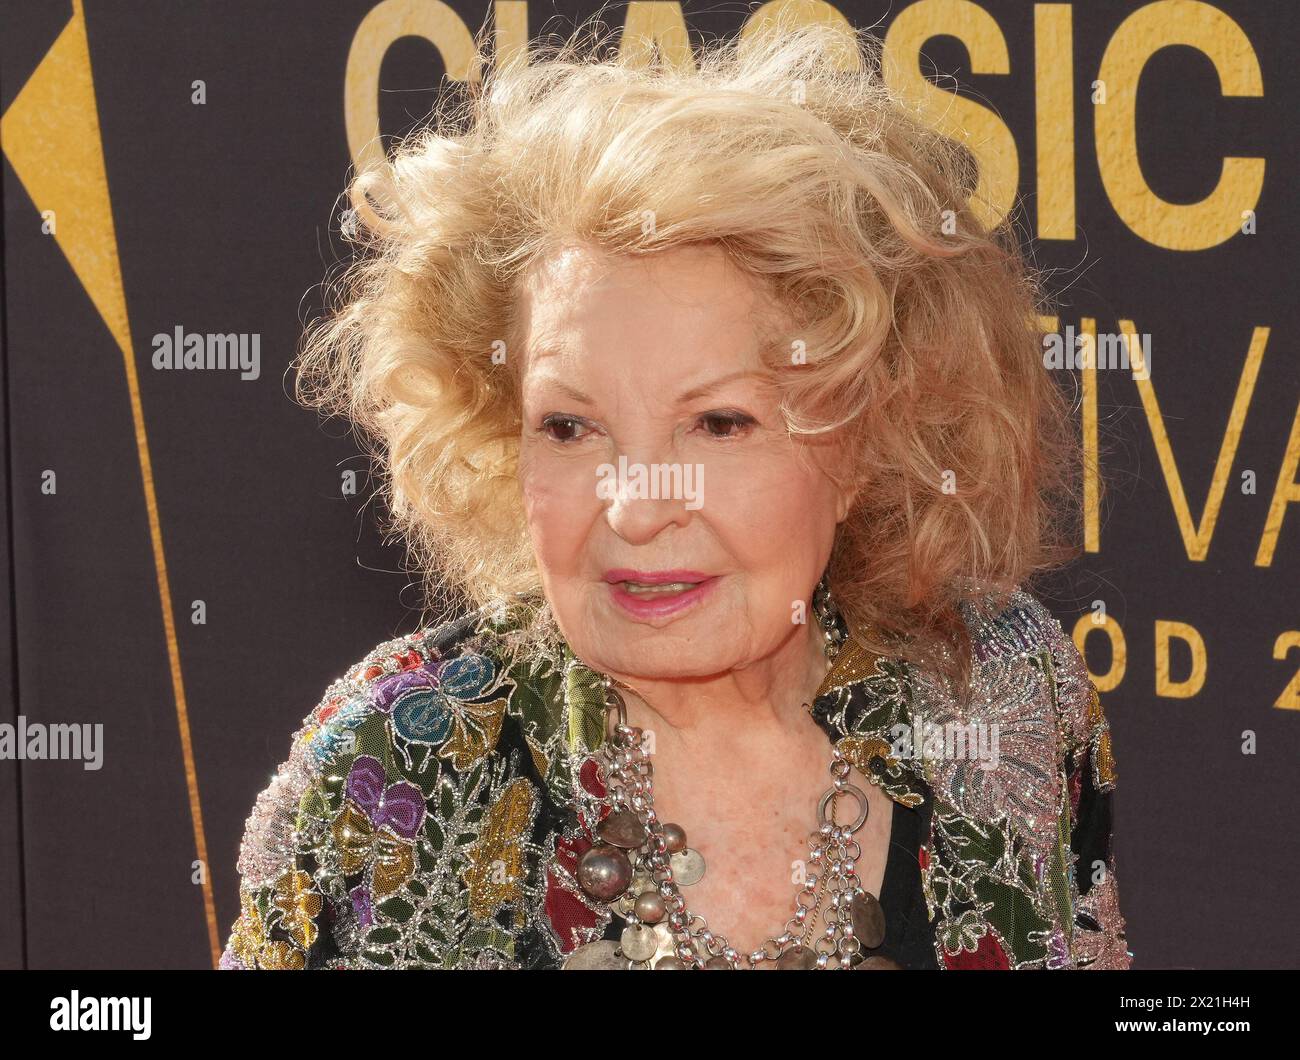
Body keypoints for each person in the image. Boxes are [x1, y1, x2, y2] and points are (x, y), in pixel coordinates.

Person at [220, 15, 1130, 970]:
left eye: (720, 424)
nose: (638, 506)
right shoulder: (396, 766)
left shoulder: (1005, 688)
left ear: (867, 438)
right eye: (570, 428)